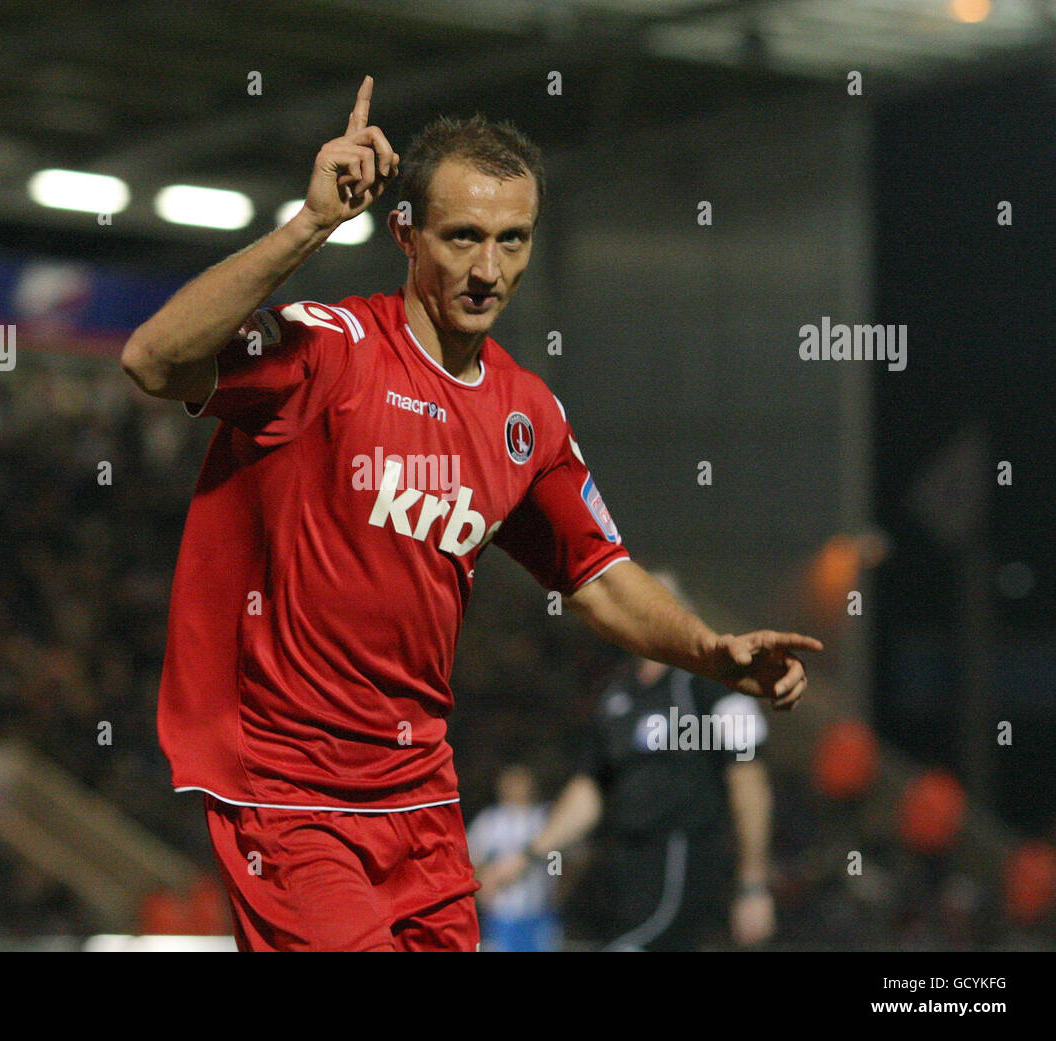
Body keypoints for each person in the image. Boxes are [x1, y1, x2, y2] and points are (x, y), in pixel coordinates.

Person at [120, 76, 821, 952]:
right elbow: (153, 359)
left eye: (511, 240)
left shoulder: (527, 418)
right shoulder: (329, 350)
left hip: (420, 795)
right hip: (292, 787)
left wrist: (709, 650)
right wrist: (308, 226)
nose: (489, 269)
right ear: (404, 234)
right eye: (463, 237)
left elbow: (599, 575)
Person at [481, 572, 778, 951]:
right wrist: (529, 856)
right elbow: (591, 788)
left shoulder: (709, 688)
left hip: (682, 863)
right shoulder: (618, 694)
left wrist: (753, 884)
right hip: (624, 868)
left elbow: (748, 778)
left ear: (684, 615)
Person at [468, 765, 562, 951]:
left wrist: (556, 880)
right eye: (509, 783)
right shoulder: (490, 821)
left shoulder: (543, 818)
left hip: (540, 911)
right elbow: (471, 859)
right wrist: (482, 885)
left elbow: (557, 855)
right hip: (502, 913)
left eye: (519, 783)